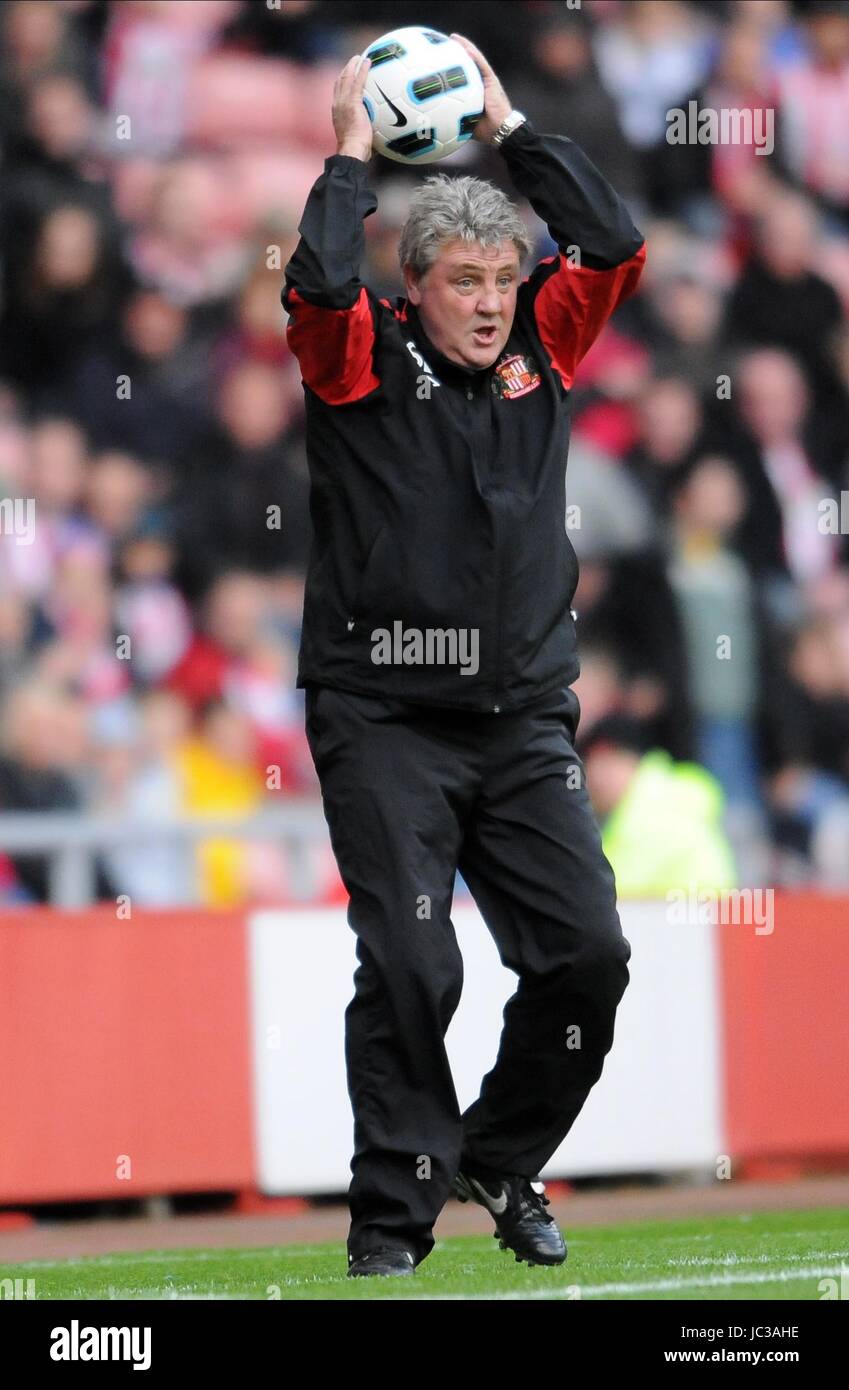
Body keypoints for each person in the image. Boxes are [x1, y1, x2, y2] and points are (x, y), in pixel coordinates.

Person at [283, 34, 646, 1279]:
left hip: (523, 719)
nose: (494, 300)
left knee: (589, 958)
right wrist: (345, 153)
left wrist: (510, 121)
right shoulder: (355, 358)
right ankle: (392, 1230)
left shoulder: (549, 343)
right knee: (413, 962)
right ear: (415, 280)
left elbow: (617, 241)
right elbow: (318, 286)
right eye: (467, 280)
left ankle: (497, 1152)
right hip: (383, 716)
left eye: (506, 276)